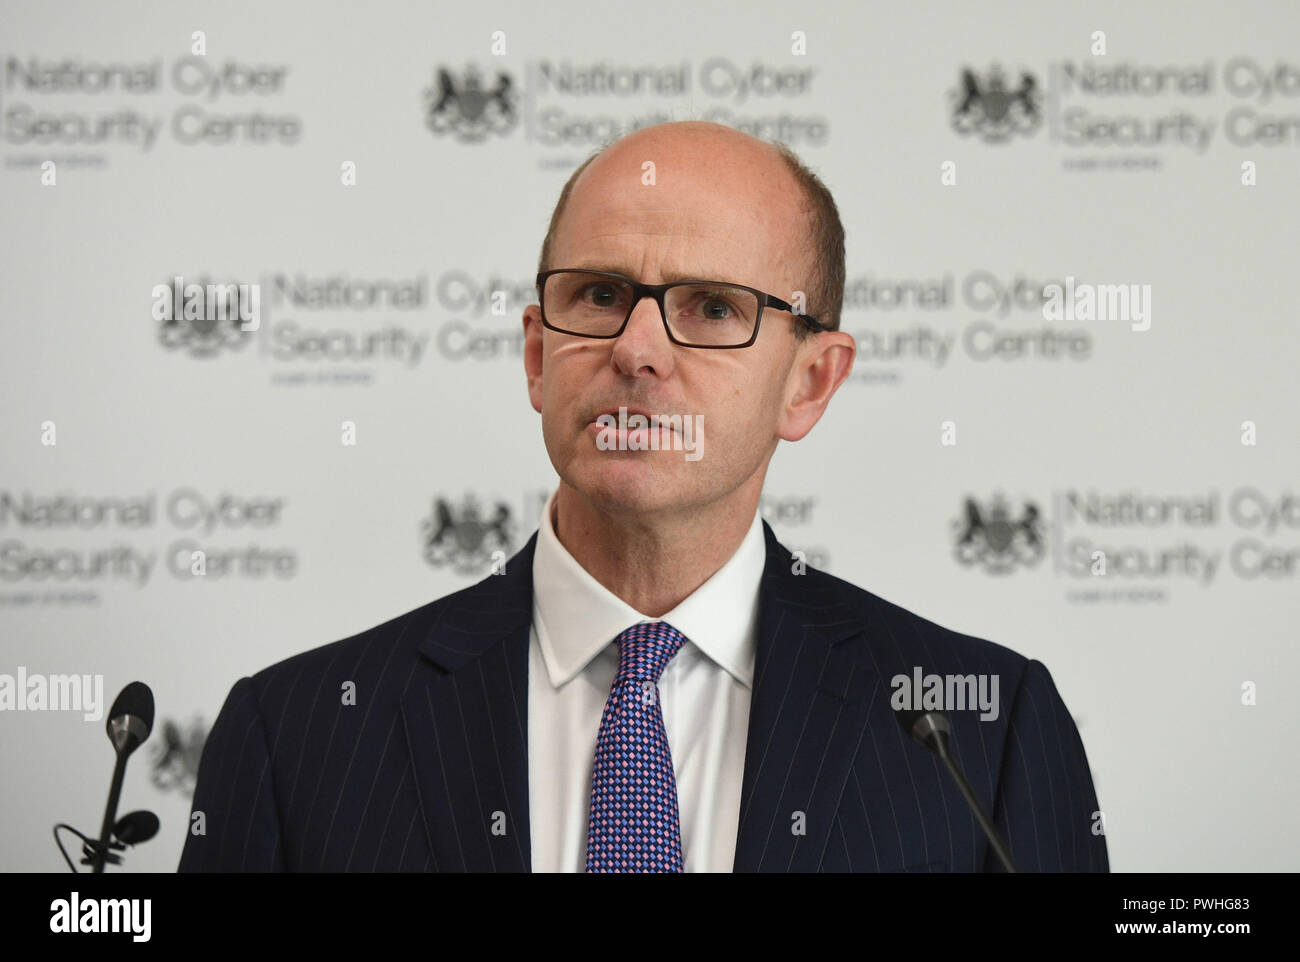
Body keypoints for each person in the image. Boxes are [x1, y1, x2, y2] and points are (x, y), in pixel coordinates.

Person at [178, 121, 1107, 873]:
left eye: (712, 308)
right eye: (601, 294)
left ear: (810, 384)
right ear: (539, 356)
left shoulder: (985, 728)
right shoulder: (296, 733)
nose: (638, 349)